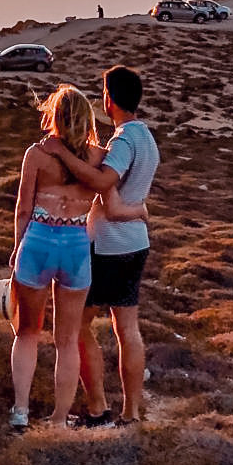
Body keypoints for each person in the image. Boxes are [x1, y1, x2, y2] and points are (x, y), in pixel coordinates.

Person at [6, 85, 147, 431]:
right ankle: (58, 420)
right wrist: (140, 211)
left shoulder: (36, 155)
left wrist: (16, 248)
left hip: (38, 241)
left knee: (26, 332)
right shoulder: (99, 158)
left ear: (54, 116)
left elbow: (23, 208)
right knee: (67, 340)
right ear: (87, 118)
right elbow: (109, 199)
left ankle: (20, 412)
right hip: (76, 247)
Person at [38, 64, 159, 425]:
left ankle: (97, 407)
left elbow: (104, 181)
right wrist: (138, 209)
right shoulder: (147, 137)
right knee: (128, 329)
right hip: (135, 243)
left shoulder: (122, 140)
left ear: (110, 98)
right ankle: (132, 412)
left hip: (108, 245)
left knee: (78, 327)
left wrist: (62, 154)